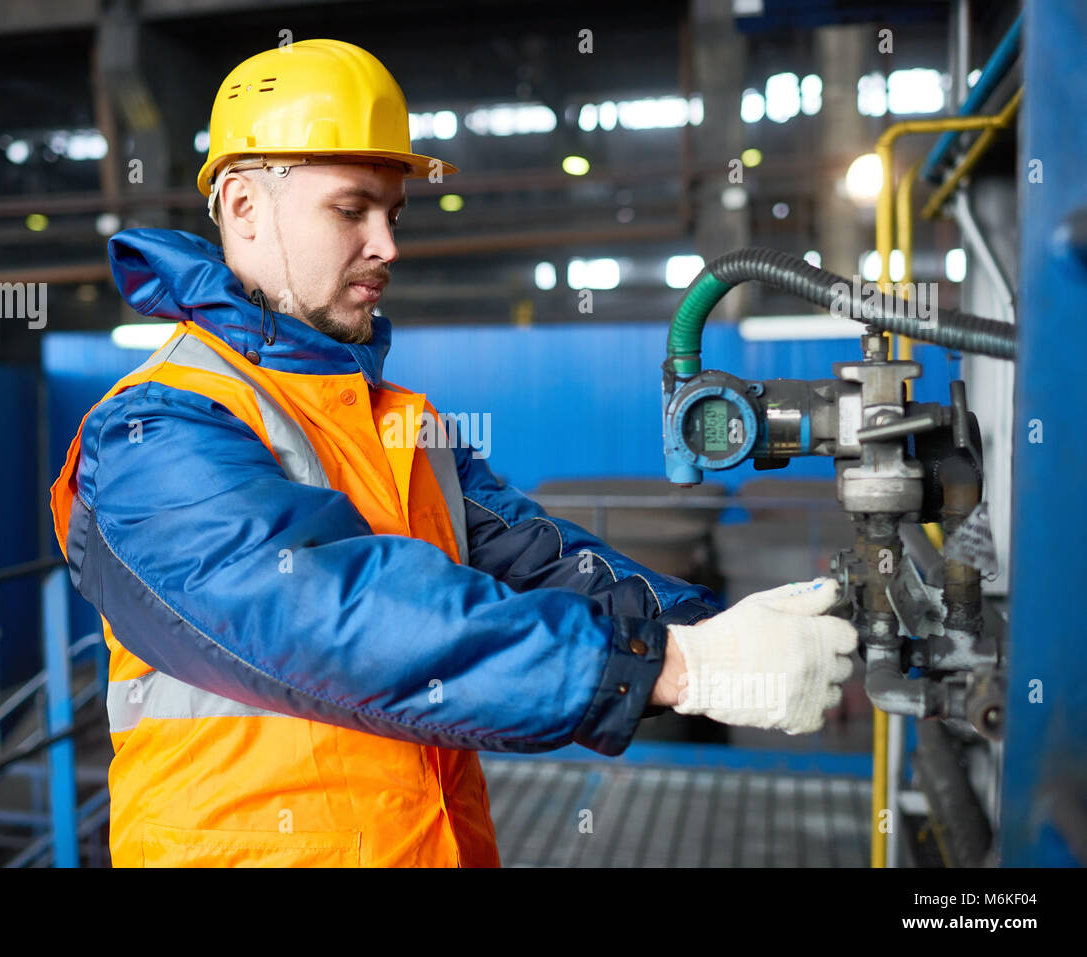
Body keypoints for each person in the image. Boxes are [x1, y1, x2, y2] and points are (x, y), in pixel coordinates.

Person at [50, 37, 857, 868]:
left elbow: (540, 560)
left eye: (392, 216)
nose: (388, 246)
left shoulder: (400, 421)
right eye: (350, 209)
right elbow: (334, 619)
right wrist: (673, 668)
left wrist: (718, 627)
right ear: (244, 204)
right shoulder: (154, 426)